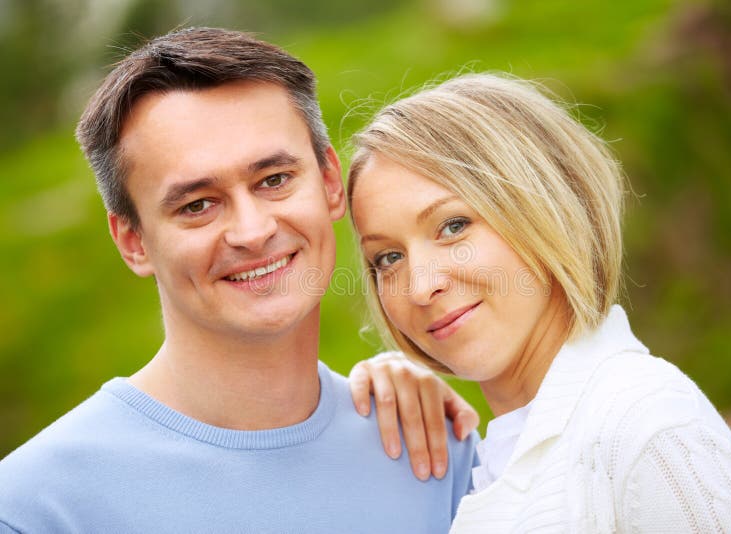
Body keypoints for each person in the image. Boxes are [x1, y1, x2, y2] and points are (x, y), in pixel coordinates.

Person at [0, 27, 479, 533]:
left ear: (330, 182)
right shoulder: (34, 509)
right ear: (133, 241)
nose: (252, 232)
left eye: (273, 180)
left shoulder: (437, 451)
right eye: (197, 205)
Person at [347, 73, 731, 532]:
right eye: (388, 257)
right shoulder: (488, 460)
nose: (419, 287)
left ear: (544, 205)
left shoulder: (648, 433)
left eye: (453, 226)